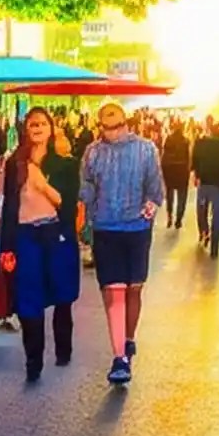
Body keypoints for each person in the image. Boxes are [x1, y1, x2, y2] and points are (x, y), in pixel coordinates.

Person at [80, 102, 163, 385]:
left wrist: (146, 214)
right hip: (106, 229)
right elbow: (87, 189)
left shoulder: (146, 149)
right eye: (105, 126)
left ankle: (128, 338)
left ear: (126, 123)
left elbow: (155, 189)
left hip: (137, 229)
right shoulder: (93, 152)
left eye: (115, 125)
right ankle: (119, 358)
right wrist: (87, 223)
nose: (111, 131)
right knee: (115, 292)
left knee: (133, 290)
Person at [0, 108, 81, 383]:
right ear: (25, 129)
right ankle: (33, 361)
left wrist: (43, 184)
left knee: (62, 293)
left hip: (55, 233)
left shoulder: (66, 165)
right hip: (25, 235)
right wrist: (6, 247)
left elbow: (68, 206)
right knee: (27, 299)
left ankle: (63, 349)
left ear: (51, 128)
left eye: (43, 123)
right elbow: (9, 205)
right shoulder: (14, 164)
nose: (38, 128)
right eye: (33, 123)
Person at [192, 121, 219, 257]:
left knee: (201, 210)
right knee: (217, 214)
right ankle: (215, 246)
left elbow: (195, 159)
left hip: (204, 183)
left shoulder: (201, 143)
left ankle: (204, 231)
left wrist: (197, 174)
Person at [161, 121, 191, 230]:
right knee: (182, 197)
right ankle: (179, 219)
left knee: (170, 194)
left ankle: (169, 216)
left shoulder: (168, 139)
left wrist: (163, 171)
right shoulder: (186, 141)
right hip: (182, 171)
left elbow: (164, 156)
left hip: (170, 170)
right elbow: (188, 158)